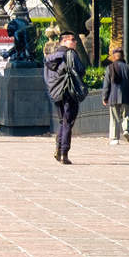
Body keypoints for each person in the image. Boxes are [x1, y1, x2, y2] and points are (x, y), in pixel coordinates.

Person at [43, 31, 87, 164]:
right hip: (69, 91)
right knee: (68, 122)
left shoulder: (49, 57)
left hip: (56, 93)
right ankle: (64, 153)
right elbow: (80, 70)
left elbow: (46, 77)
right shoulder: (70, 54)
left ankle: (58, 148)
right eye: (72, 40)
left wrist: (53, 89)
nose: (75, 42)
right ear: (64, 41)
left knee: (63, 121)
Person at [102, 44, 129, 145]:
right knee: (126, 115)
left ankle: (115, 138)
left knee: (114, 118)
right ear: (123, 56)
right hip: (126, 97)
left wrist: (105, 97)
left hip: (113, 97)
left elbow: (106, 84)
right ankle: (126, 130)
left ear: (114, 56)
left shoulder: (110, 68)